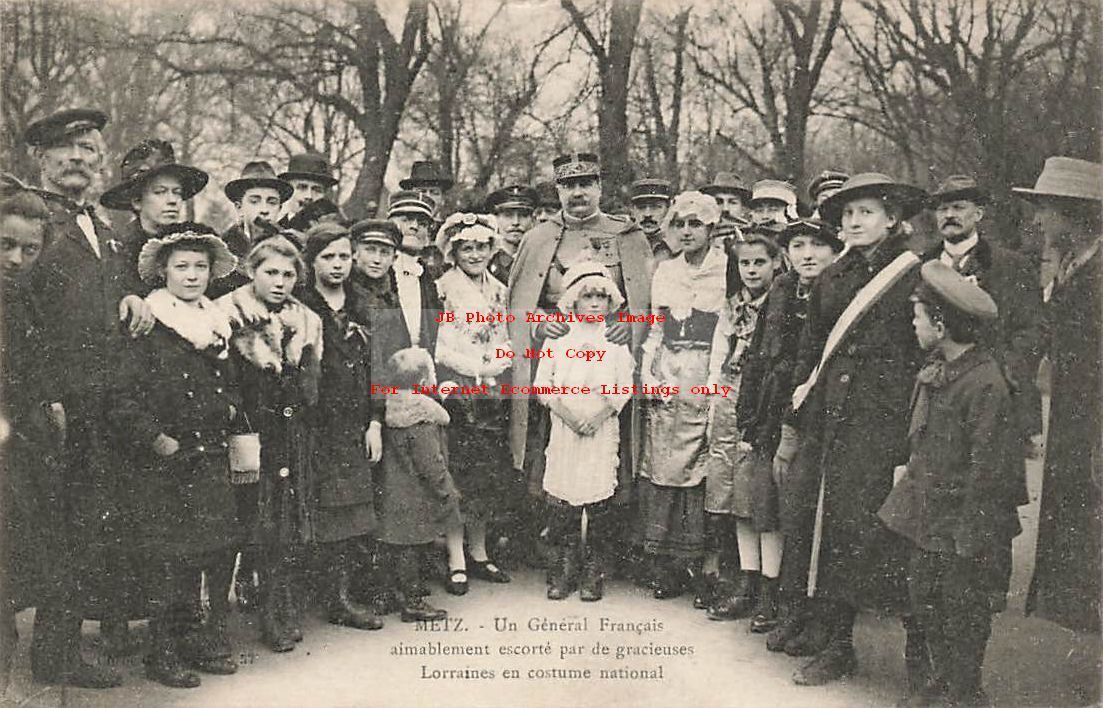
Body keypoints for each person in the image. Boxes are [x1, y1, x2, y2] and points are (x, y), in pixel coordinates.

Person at [774, 173, 928, 686]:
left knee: (864, 532)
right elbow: (810, 352)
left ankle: (883, 653)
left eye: (866, 212)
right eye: (847, 215)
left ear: (892, 218)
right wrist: (796, 414)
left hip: (878, 422)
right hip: (826, 417)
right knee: (820, 526)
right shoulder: (833, 277)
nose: (854, 222)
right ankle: (832, 638)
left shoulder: (914, 274)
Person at [25, 107, 153, 688]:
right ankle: (49, 659)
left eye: (89, 148)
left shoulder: (99, 225)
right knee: (53, 529)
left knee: (84, 526)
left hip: (101, 403)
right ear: (42, 158)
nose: (79, 158)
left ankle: (61, 650)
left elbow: (110, 285)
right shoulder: (28, 220)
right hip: (50, 405)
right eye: (67, 148)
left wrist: (133, 297)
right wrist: (45, 394)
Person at [878, 260, 1018, 707]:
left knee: (962, 615)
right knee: (922, 609)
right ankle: (930, 688)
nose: (913, 326)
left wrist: (968, 541)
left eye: (918, 318)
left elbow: (989, 475)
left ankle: (962, 693)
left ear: (940, 325)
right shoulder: (937, 368)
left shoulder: (984, 385)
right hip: (927, 517)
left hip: (964, 528)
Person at [506, 151, 652, 579]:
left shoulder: (627, 235)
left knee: (610, 456)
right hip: (556, 363)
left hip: (608, 362)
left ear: (601, 187)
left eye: (587, 183)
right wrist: (538, 325)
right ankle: (555, 551)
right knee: (551, 455)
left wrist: (631, 327)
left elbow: (645, 299)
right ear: (558, 190)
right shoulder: (538, 237)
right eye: (569, 185)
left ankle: (605, 556)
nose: (578, 192)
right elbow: (517, 304)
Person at [109, 222, 243, 688]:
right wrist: (155, 439)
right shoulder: (150, 322)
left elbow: (227, 383)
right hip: (167, 458)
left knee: (214, 548)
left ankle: (197, 640)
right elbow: (123, 396)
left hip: (209, 453)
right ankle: (162, 652)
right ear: (162, 271)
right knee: (171, 557)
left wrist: (228, 405)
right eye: (181, 266)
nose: (191, 275)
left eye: (200, 267)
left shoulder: (216, 324)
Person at [733, 220, 844, 641]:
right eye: (798, 245)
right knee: (764, 502)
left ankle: (802, 608)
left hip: (812, 414)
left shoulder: (836, 292)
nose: (807, 254)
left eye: (818, 244)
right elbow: (759, 354)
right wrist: (749, 412)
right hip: (770, 408)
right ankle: (771, 596)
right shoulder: (781, 290)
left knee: (800, 512)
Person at [218, 234, 323, 653]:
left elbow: (311, 386)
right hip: (243, 433)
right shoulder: (228, 314)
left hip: (287, 434)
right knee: (237, 527)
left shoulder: (306, 321)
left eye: (288, 273)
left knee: (279, 527)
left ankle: (274, 611)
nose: (280, 281)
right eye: (270, 272)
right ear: (251, 271)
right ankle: (214, 623)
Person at [1013, 157, 1102, 635]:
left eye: (1046, 210)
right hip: (1073, 409)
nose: (1038, 222)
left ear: (1075, 215)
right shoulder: (1072, 266)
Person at [638, 191, 727, 599]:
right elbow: (657, 329)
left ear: (711, 228)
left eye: (696, 224)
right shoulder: (666, 271)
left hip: (705, 368)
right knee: (662, 465)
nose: (687, 232)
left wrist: (712, 384)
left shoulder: (725, 270)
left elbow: (724, 332)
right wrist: (648, 372)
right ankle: (664, 563)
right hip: (669, 369)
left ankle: (699, 565)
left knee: (699, 466)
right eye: (680, 224)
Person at [298, 221, 386, 631]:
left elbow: (380, 368)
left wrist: (375, 420)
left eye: (344, 257)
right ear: (312, 261)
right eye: (327, 257)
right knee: (322, 507)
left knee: (353, 508)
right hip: (315, 422)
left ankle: (344, 592)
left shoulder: (365, 303)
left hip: (355, 421)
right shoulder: (302, 305)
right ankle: (325, 593)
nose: (337, 265)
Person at [533, 262, 635, 601]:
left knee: (598, 498)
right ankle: (564, 568)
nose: (594, 304)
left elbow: (624, 387)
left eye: (601, 297)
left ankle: (594, 571)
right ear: (573, 302)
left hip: (600, 429)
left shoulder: (615, 342)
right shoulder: (559, 340)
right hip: (565, 428)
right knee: (564, 501)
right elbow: (542, 385)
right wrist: (567, 414)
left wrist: (601, 414)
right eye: (587, 296)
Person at [924, 175, 1043, 459]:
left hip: (992, 395)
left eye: (958, 207)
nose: (949, 215)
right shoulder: (918, 265)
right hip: (933, 394)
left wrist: (1000, 373)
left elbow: (1035, 329)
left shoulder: (1012, 266)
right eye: (942, 209)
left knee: (987, 484)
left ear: (978, 213)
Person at [432, 213, 515, 595]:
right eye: (467, 247)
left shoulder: (499, 289)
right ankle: (455, 557)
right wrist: (471, 365)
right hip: (455, 379)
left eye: (482, 247)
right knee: (457, 471)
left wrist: (497, 361)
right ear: (453, 251)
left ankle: (479, 552)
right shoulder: (442, 288)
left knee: (485, 473)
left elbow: (504, 333)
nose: (475, 254)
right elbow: (437, 340)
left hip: (491, 385)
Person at [701, 228, 781, 619]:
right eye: (745, 263)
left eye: (759, 262)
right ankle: (745, 581)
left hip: (763, 400)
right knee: (732, 493)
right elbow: (720, 353)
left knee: (760, 497)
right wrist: (715, 394)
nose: (751, 270)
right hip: (730, 397)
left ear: (776, 263)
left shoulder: (780, 303)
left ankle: (770, 590)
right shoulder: (731, 306)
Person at [0, 182, 56, 693]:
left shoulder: (28, 304)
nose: (16, 259)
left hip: (17, 460)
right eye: (5, 245)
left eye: (29, 249)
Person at [375, 347, 459, 623]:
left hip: (391, 491)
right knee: (410, 547)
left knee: (393, 545)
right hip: (414, 495)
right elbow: (431, 463)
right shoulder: (422, 416)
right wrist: (446, 489)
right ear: (424, 383)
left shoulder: (391, 408)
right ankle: (412, 602)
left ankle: (387, 594)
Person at [100, 139, 208, 294]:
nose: (172, 201)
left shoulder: (193, 243)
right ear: (137, 201)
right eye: (160, 192)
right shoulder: (118, 250)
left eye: (176, 192)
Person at [219, 161, 294, 298]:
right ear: (239, 207)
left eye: (272, 202)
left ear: (280, 209)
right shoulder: (222, 250)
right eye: (254, 201)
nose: (264, 210)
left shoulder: (291, 250)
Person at [485, 184, 537, 283]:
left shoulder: (541, 260)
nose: (515, 222)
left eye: (523, 215)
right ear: (496, 220)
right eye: (508, 215)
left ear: (533, 221)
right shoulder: (485, 262)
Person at [389, 189, 444, 279]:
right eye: (406, 220)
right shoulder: (376, 268)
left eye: (422, 224)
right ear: (390, 223)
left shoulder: (427, 276)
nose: (414, 226)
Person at [279, 152, 338, 227]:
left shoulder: (336, 230)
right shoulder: (274, 228)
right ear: (288, 190)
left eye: (317, 190)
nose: (309, 196)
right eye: (302, 187)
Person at [628, 178, 676, 263]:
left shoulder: (679, 247)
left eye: (655, 207)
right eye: (641, 207)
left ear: (668, 209)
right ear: (632, 210)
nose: (647, 214)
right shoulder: (622, 245)